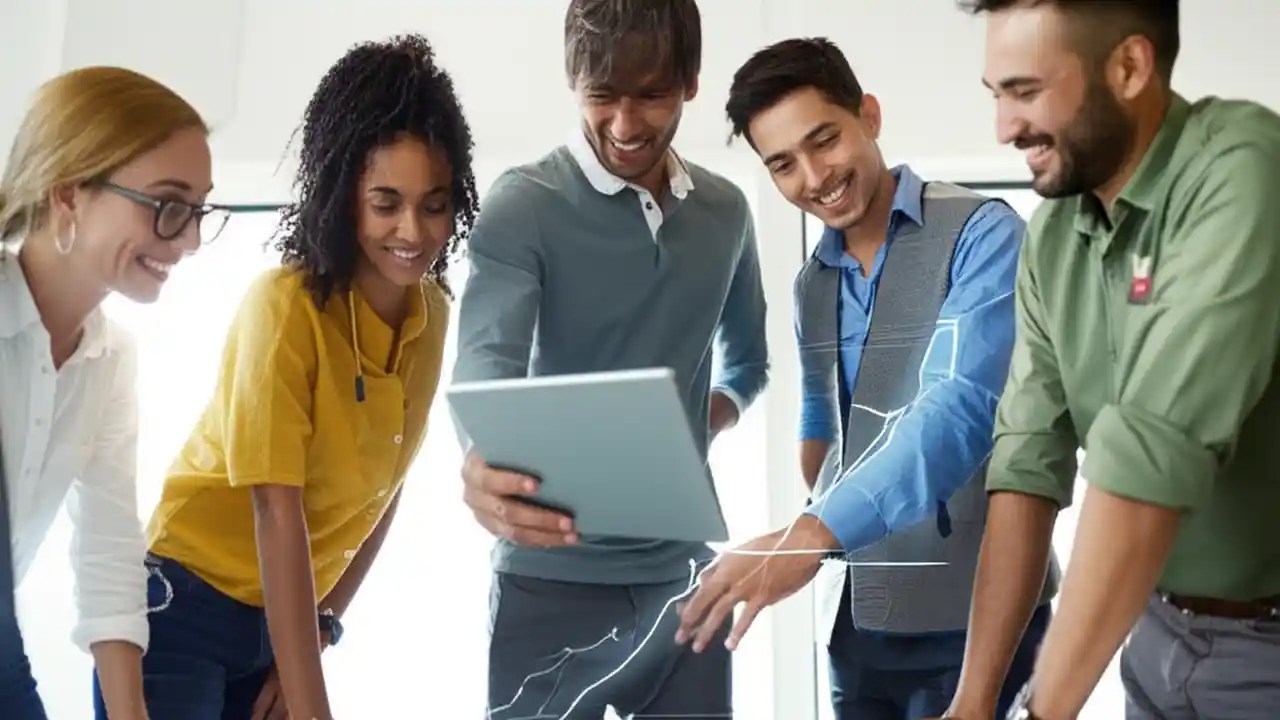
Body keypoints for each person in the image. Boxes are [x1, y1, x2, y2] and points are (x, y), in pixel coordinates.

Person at [99, 34, 479, 720]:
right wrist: (313, 708)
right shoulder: (286, 306)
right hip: (181, 609)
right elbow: (277, 511)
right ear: (344, 195)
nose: (412, 230)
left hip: (280, 622)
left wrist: (324, 624)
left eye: (434, 203)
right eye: (386, 201)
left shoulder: (431, 317)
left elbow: (384, 494)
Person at [675, 37, 1054, 720]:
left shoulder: (983, 234)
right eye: (783, 164)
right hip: (855, 626)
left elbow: (958, 409)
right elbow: (822, 432)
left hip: (974, 618)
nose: (814, 176)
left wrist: (812, 532)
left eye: (824, 140)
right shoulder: (810, 285)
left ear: (868, 116)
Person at [934, 2, 1280, 719]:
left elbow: (1150, 457)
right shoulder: (1054, 235)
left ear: (1129, 67)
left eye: (1025, 92)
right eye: (995, 95)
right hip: (1152, 633)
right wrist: (973, 703)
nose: (1003, 128)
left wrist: (1041, 711)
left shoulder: (1245, 169)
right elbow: (1027, 464)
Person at [452, 0, 769, 717]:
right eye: (602, 97)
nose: (625, 127)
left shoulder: (725, 213)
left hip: (687, 584)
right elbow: (483, 375)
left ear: (690, 81)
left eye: (652, 95)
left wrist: (687, 432)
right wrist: (481, 464)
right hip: (546, 581)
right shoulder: (523, 205)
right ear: (573, 84)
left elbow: (748, 363)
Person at [0, 66, 220, 719]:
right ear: (69, 195)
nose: (190, 240)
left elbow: (108, 556)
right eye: (168, 205)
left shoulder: (108, 361)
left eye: (200, 209)